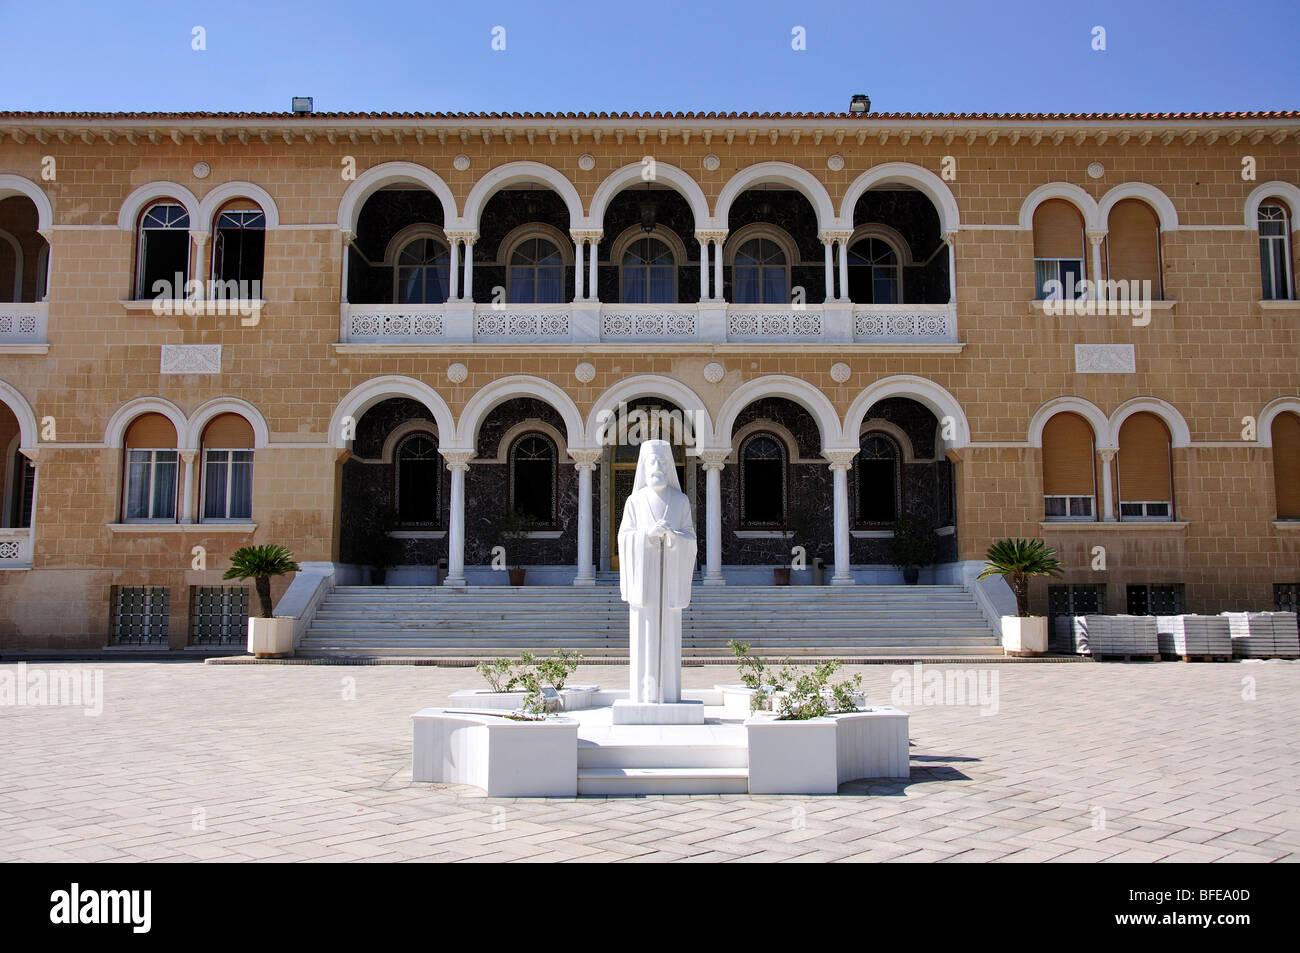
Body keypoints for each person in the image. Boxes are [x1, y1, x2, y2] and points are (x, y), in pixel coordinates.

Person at [617, 439, 697, 705]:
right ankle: (643, 696)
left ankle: (669, 695)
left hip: (670, 581)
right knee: (644, 635)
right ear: (643, 465)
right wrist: (646, 537)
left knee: (669, 638)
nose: (658, 466)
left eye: (663, 461)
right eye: (653, 461)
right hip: (646, 581)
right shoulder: (635, 501)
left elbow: (690, 538)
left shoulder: (680, 500)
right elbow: (624, 537)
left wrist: (673, 537)